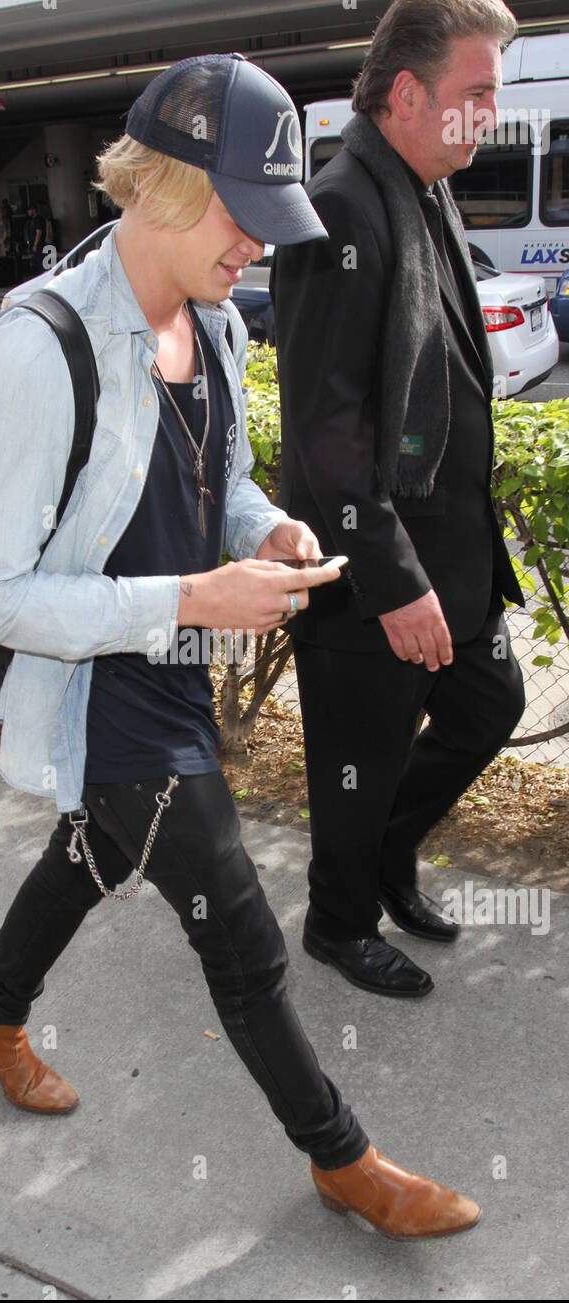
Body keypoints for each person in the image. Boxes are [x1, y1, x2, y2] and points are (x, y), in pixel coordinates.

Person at [0, 52, 481, 1239]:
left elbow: (216, 480)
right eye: (247, 217)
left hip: (176, 673)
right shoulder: (37, 352)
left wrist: (267, 527)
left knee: (88, 860)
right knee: (237, 927)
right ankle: (342, 1158)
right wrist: (192, 598)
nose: (262, 249)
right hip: (111, 696)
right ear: (163, 185)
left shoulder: (216, 322)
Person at [270, 0, 526, 1000]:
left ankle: (384, 859)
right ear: (407, 93)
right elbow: (325, 435)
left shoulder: (422, 187)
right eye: (477, 95)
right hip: (373, 574)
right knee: (357, 762)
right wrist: (392, 584)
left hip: (451, 557)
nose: (487, 119)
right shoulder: (341, 205)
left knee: (490, 704)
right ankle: (337, 924)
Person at [24, 203, 46, 275]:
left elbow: (38, 232)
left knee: (40, 262)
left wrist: (35, 244)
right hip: (34, 244)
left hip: (39, 245)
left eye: (29, 210)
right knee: (37, 262)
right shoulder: (31, 220)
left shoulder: (38, 219)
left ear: (33, 210)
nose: (28, 212)